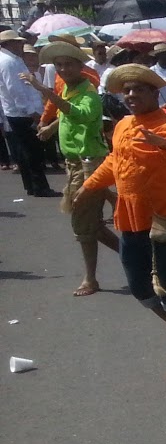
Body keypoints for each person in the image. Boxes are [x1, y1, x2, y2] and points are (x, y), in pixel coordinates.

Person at [77, 64, 166, 340]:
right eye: (127, 91)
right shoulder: (123, 124)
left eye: (139, 90)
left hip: (165, 220)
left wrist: (163, 144)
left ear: (153, 93)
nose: (132, 95)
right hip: (130, 218)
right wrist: (88, 187)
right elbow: (114, 161)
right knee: (139, 287)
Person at [21, 41, 115, 294]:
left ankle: (91, 279)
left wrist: (45, 92)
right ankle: (134, 258)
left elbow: (82, 115)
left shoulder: (89, 92)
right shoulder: (70, 89)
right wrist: (51, 127)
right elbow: (66, 114)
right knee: (91, 224)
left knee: (83, 224)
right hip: (73, 163)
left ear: (80, 66)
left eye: (68, 65)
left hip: (90, 163)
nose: (63, 69)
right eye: (59, 65)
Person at [1, 28, 52, 196]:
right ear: (8, 44)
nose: (20, 45)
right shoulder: (8, 62)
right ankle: (39, 187)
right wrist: (33, 113)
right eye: (17, 42)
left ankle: (31, 185)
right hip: (22, 113)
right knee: (32, 151)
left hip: (20, 111)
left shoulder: (13, 60)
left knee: (26, 151)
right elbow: (16, 91)